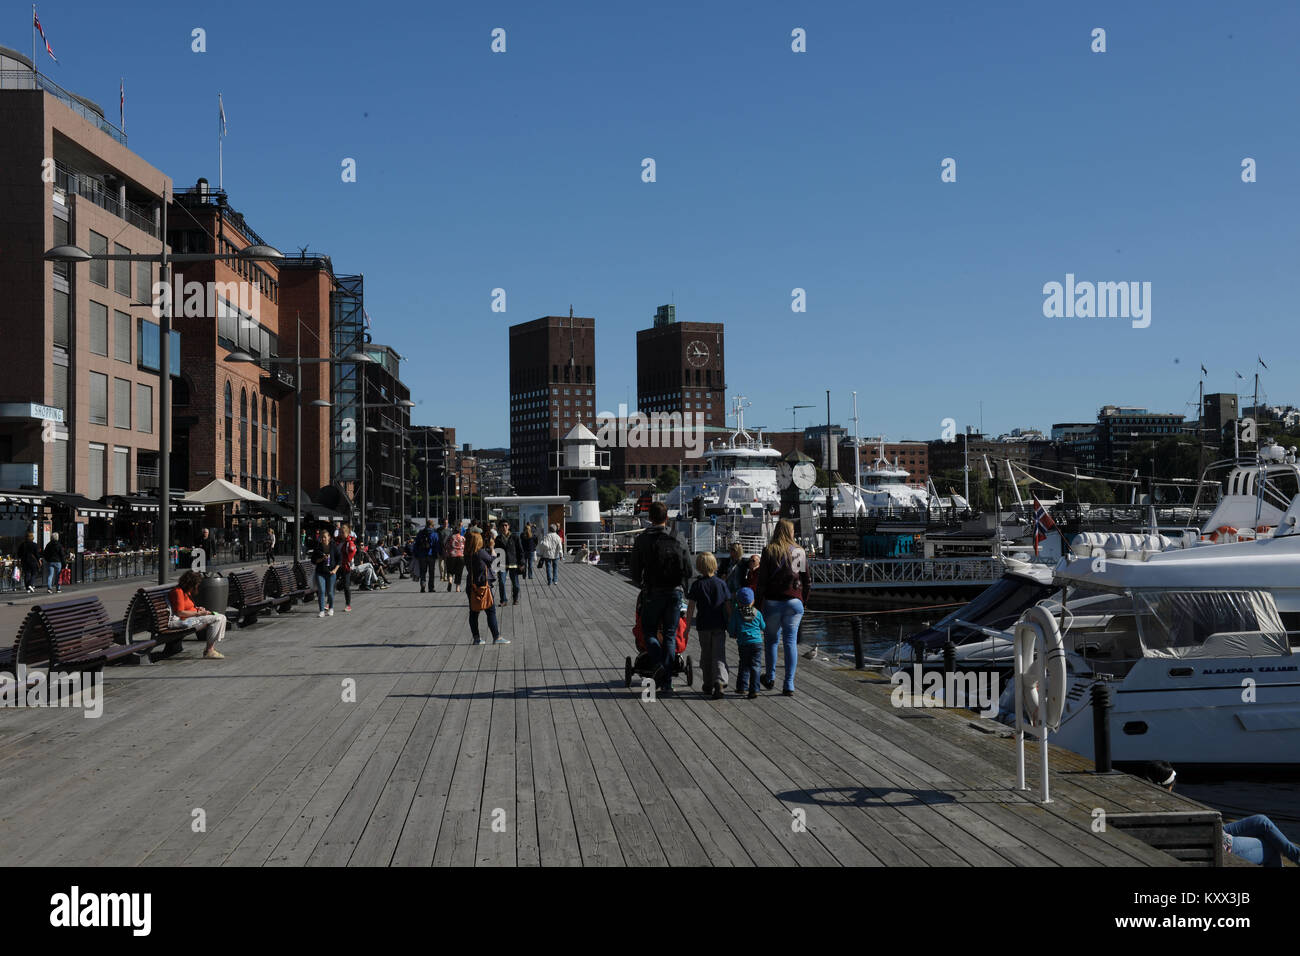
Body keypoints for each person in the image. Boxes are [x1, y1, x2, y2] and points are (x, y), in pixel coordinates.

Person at [629, 503, 693, 695]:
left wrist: (641, 584)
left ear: (650, 517)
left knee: (649, 632)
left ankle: (660, 666)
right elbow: (688, 569)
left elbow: (634, 570)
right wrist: (684, 588)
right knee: (670, 634)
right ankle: (666, 681)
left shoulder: (642, 540)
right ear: (667, 517)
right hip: (674, 592)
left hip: (653, 592)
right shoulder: (677, 537)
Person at [756, 519, 810, 697]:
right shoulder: (798, 552)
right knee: (790, 641)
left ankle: (770, 677)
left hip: (773, 601)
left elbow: (762, 581)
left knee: (771, 640)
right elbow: (805, 579)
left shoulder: (770, 551)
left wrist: (757, 604)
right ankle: (789, 684)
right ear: (789, 532)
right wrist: (804, 600)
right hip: (794, 602)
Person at [686, 551, 730, 699]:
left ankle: (707, 683)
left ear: (699, 566)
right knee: (719, 654)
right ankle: (720, 681)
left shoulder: (697, 584)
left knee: (706, 653)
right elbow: (727, 605)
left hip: (703, 624)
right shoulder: (721, 584)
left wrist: (686, 626)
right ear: (714, 565)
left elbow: (691, 606)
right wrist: (730, 621)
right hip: (719, 624)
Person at [169, 569, 229, 658]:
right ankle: (209, 650)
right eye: (196, 584)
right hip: (182, 621)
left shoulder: (185, 591)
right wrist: (199, 614)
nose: (197, 586)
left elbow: (188, 607)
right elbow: (180, 612)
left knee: (221, 617)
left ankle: (210, 649)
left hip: (189, 619)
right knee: (218, 618)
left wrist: (197, 609)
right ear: (190, 583)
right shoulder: (178, 592)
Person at [466, 531, 508, 645]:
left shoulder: (467, 553)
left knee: (474, 612)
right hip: (482, 586)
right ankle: (496, 637)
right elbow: (493, 561)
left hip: (470, 585)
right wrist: (492, 547)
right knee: (491, 611)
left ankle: (476, 638)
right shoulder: (480, 553)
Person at [728, 587, 766, 699]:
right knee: (756, 666)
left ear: (738, 601)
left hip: (743, 643)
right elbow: (763, 626)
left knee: (744, 664)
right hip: (757, 644)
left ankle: (742, 687)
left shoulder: (736, 613)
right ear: (753, 601)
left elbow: (731, 629)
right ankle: (754, 689)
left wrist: (733, 634)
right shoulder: (757, 613)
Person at [310, 529, 337, 616]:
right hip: (320, 572)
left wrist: (335, 570)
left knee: (329, 592)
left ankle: (331, 608)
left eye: (325, 537)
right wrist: (321, 559)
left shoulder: (333, 547)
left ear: (329, 537)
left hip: (331, 573)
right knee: (321, 591)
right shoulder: (318, 548)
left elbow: (340, 559)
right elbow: (313, 561)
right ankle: (321, 611)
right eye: (322, 537)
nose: (324, 539)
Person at [497, 520, 523, 605]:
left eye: (505, 525)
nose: (504, 527)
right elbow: (496, 552)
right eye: (502, 526)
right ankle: (503, 600)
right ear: (500, 527)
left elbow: (520, 551)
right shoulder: (498, 538)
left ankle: (515, 598)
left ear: (508, 526)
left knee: (515, 584)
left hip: (513, 563)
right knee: (501, 582)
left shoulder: (515, 537)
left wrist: (521, 563)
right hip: (502, 563)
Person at [336, 523, 358, 611]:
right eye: (340, 532)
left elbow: (351, 554)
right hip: (337, 566)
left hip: (346, 567)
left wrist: (344, 561)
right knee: (331, 584)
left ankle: (348, 604)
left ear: (347, 533)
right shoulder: (337, 542)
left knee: (346, 586)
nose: (341, 534)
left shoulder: (350, 543)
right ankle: (328, 603)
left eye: (343, 533)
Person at [413, 520, 435, 592]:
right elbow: (436, 544)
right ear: (431, 525)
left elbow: (416, 544)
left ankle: (423, 585)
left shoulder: (420, 533)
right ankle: (431, 587)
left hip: (422, 555)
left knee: (423, 571)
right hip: (431, 555)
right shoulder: (434, 533)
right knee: (431, 572)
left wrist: (416, 553)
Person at [446, 525, 466, 592]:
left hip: (451, 556)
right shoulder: (462, 538)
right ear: (460, 531)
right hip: (460, 556)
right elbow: (465, 547)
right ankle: (457, 588)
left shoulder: (450, 537)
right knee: (459, 572)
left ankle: (450, 580)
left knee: (450, 570)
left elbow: (446, 546)